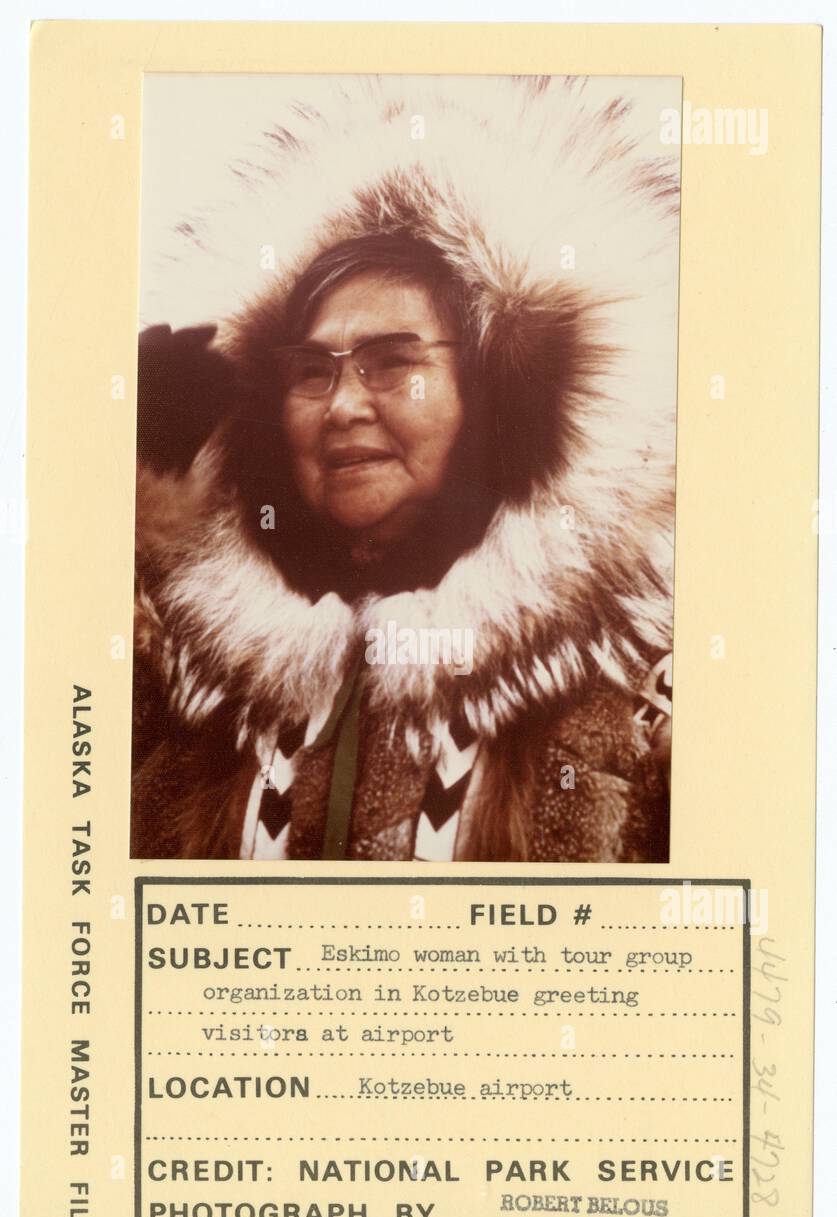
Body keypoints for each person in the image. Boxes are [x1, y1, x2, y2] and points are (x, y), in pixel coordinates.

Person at [131, 76, 676, 862]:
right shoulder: (187, 714)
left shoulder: (635, 707)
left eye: (393, 363)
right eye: (312, 371)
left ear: (493, 393)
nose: (342, 405)